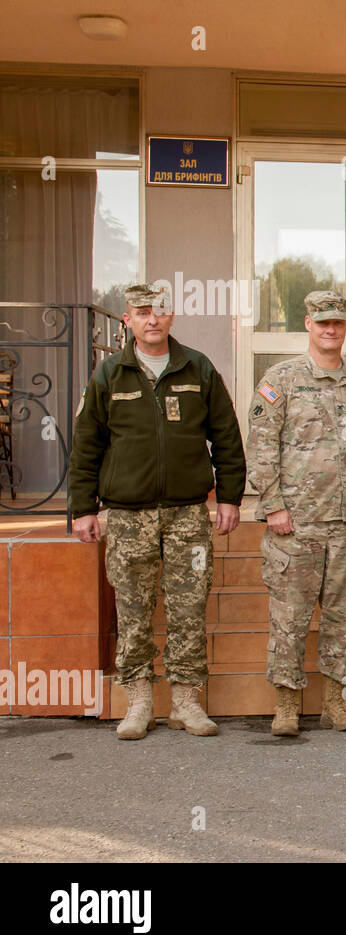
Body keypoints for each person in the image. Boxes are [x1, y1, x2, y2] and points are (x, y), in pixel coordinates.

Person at [69, 280, 245, 740]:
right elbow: (87, 444)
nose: (152, 318)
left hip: (188, 514)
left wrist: (229, 497)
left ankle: (187, 701)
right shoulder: (110, 374)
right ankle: (139, 702)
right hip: (128, 518)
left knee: (189, 609)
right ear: (127, 318)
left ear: (171, 317)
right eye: (142, 311)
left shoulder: (197, 369)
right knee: (132, 609)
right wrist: (82, 508)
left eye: (160, 311)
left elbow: (226, 437)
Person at [246, 290, 346, 736]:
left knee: (344, 615)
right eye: (322, 323)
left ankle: (335, 702)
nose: (331, 330)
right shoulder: (280, 380)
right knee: (289, 617)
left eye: (337, 322)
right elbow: (260, 448)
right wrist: (274, 506)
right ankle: (286, 705)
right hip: (296, 523)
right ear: (308, 325)